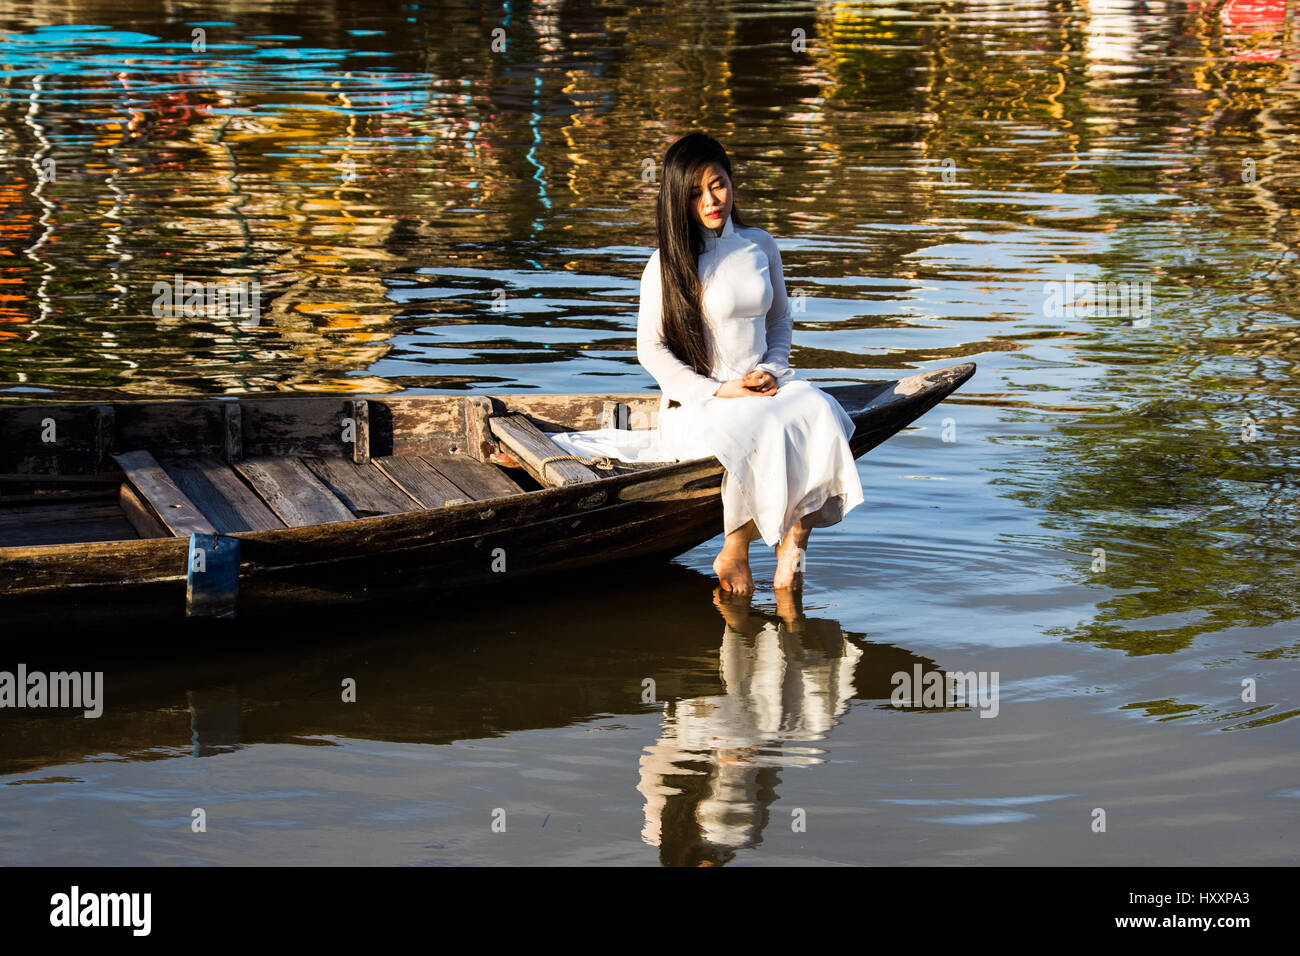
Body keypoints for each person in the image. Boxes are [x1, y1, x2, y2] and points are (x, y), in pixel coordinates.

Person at [636, 132, 864, 593]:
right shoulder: (666, 263)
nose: (710, 200)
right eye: (695, 193)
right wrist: (717, 389)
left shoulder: (760, 245)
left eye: (717, 184)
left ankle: (794, 543)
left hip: (765, 387)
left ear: (730, 180)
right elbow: (651, 350)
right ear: (678, 199)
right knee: (764, 424)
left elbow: (780, 321)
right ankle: (734, 547)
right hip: (700, 404)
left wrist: (772, 370)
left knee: (819, 409)